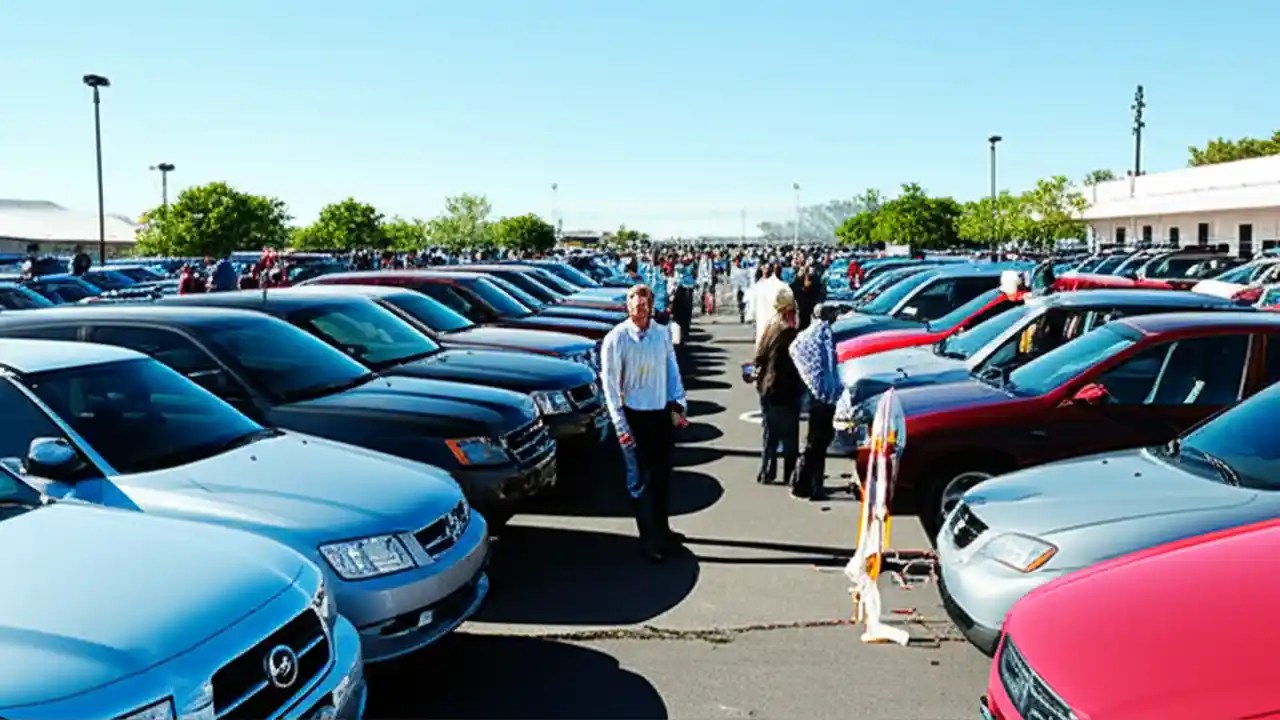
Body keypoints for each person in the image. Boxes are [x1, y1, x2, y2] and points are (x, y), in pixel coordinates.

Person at [600, 284, 689, 562]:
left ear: (651, 306)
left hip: (659, 414)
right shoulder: (616, 339)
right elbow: (611, 387)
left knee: (661, 477)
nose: (639, 308)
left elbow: (672, 369)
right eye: (634, 303)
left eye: (644, 303)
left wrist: (678, 403)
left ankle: (663, 530)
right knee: (640, 480)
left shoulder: (661, 335)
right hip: (633, 417)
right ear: (627, 306)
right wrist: (620, 425)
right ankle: (649, 538)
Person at [788, 303, 842, 500]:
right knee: (818, 445)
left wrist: (809, 379)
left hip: (814, 395)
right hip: (824, 398)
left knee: (814, 444)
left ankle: (806, 484)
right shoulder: (824, 336)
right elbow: (828, 362)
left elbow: (796, 349)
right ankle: (809, 485)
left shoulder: (808, 335)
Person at [753, 286, 802, 485]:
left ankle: (767, 471)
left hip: (767, 386)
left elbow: (759, 355)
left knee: (770, 433)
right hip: (785, 387)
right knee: (790, 435)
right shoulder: (790, 334)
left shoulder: (771, 326)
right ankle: (790, 474)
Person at [751, 262, 789, 349]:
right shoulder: (758, 285)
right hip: (762, 315)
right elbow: (754, 301)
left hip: (774, 315)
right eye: (764, 269)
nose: (766, 272)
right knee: (762, 336)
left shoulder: (779, 285)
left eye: (768, 270)